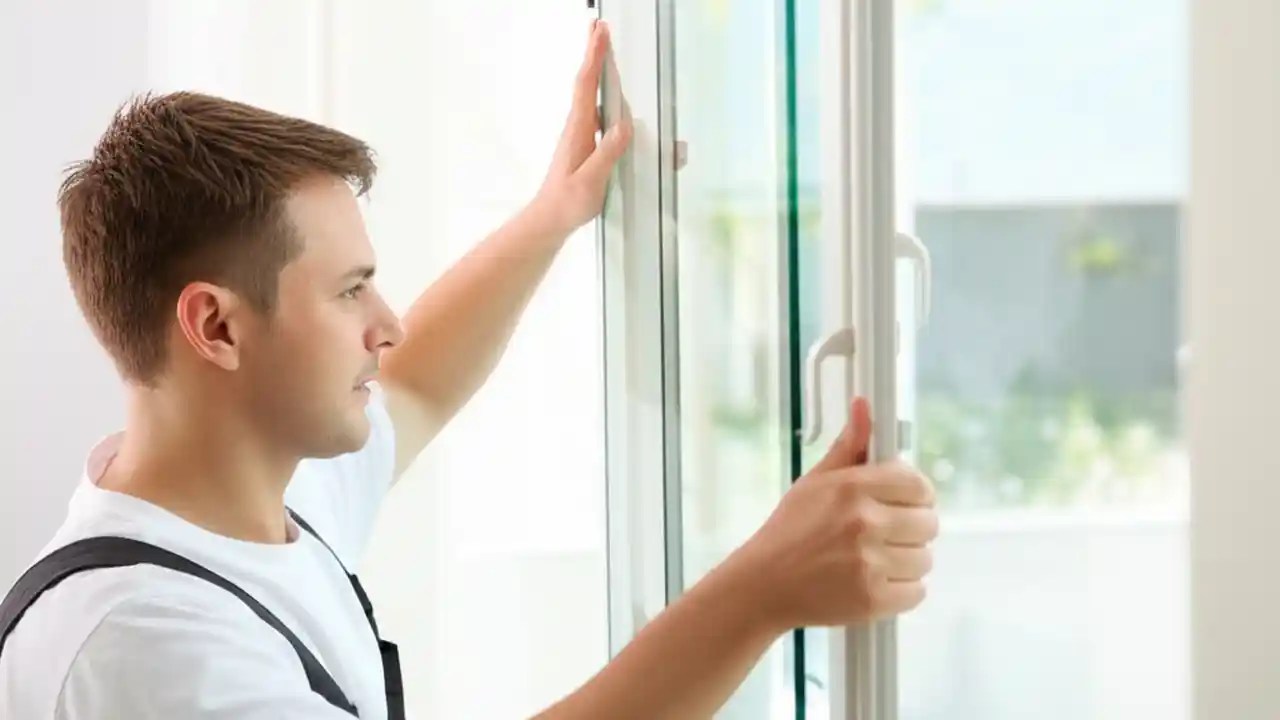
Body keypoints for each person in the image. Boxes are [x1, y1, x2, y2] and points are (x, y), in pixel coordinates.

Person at [0, 21, 938, 720]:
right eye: (349, 291)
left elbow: (415, 379)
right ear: (215, 327)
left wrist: (554, 212)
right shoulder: (146, 651)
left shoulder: (239, 503)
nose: (387, 322)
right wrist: (764, 591)